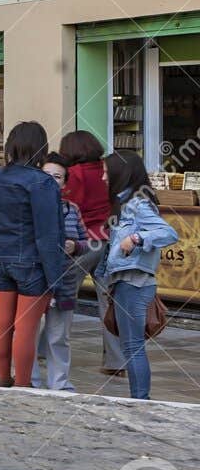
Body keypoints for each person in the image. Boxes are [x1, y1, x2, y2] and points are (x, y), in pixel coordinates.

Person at [0, 121, 65, 387]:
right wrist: (56, 277)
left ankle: (3, 379)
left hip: (0, 259)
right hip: (32, 263)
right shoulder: (42, 182)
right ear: (41, 147)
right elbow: (48, 233)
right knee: (26, 327)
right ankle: (23, 385)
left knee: (3, 321)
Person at [100, 151, 177, 401]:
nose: (102, 177)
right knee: (130, 344)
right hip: (125, 282)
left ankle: (140, 400)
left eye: (105, 172)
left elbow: (168, 233)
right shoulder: (126, 203)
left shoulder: (137, 204)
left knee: (133, 346)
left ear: (119, 174)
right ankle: (139, 398)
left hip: (134, 283)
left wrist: (136, 238)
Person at [60, 130, 121, 377]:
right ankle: (116, 361)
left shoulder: (75, 175)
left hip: (85, 243)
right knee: (108, 303)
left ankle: (46, 347)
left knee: (63, 294)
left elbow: (70, 209)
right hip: (109, 239)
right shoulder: (107, 169)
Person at [32, 153, 90, 391]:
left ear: (64, 183)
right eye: (46, 175)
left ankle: (60, 383)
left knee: (59, 335)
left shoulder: (72, 209)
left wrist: (75, 246)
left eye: (57, 177)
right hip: (34, 278)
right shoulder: (29, 207)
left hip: (64, 280)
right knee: (29, 332)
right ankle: (28, 379)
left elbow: (86, 242)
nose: (51, 180)